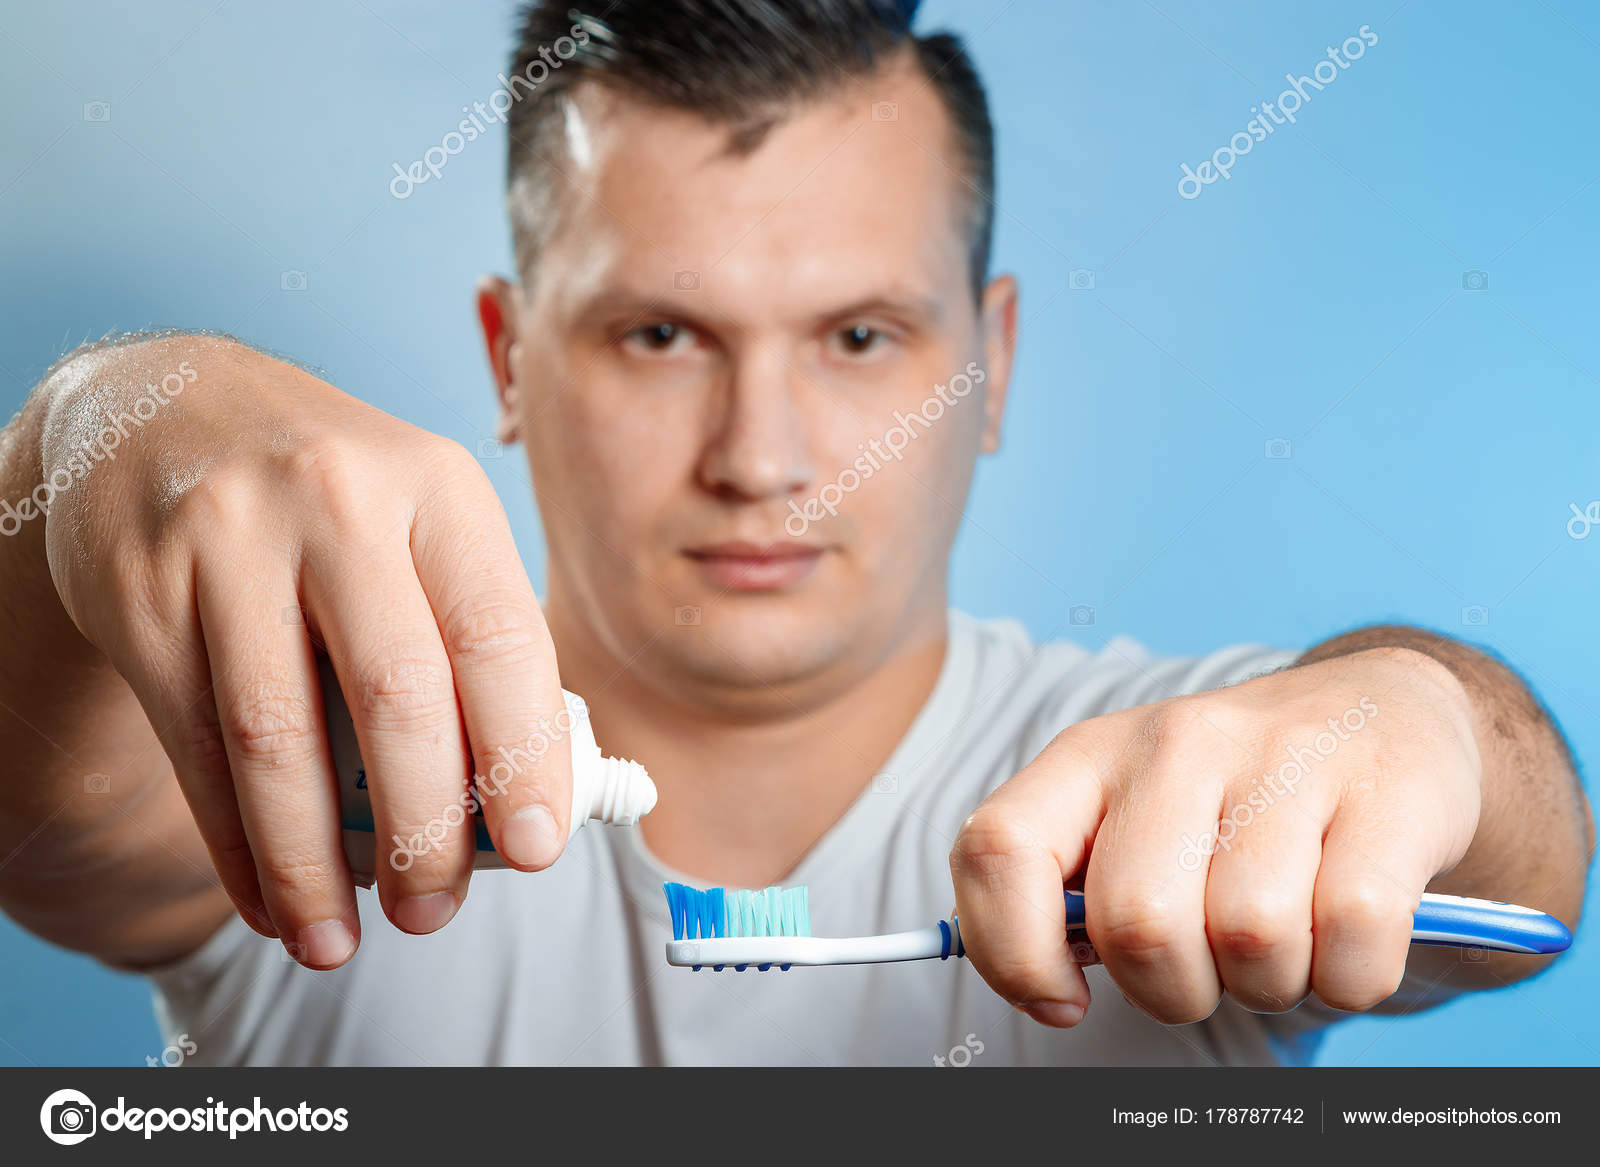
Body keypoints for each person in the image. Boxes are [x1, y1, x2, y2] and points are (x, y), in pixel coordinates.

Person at [0, 0, 1589, 1066]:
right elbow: (39, 814)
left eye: (857, 342)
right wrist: (98, 432)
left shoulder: (1175, 783)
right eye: (660, 337)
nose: (763, 463)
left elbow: (1527, 891)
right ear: (506, 356)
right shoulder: (305, 785)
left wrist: (1421, 713)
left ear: (991, 366)